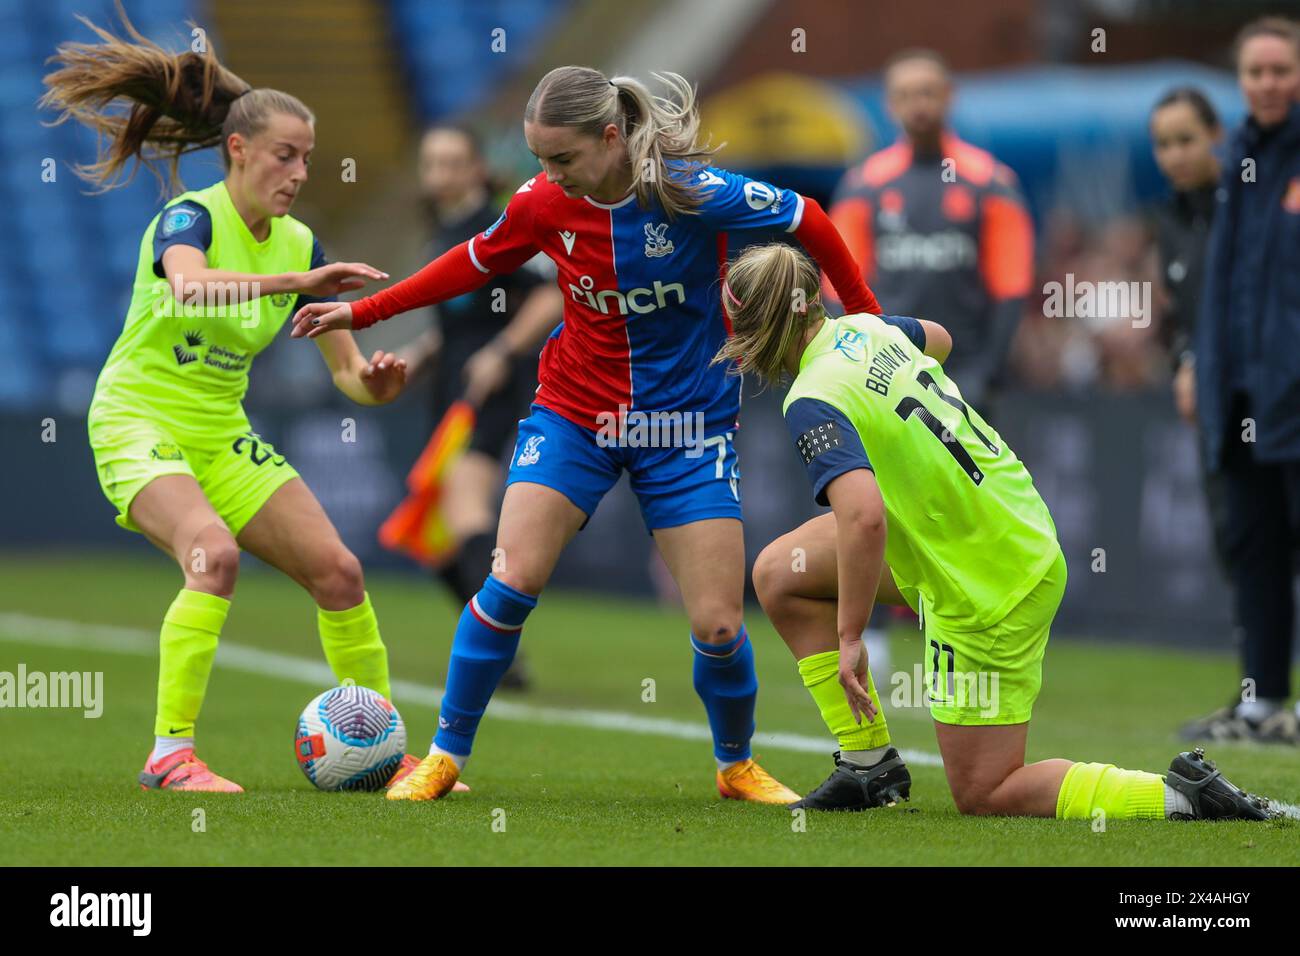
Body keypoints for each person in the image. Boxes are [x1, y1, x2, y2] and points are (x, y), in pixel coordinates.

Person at [293, 66, 883, 804]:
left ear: (611, 138)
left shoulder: (692, 193)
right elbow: (473, 262)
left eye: (562, 159)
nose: (548, 176)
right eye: (539, 159)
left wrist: (865, 318)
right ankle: (444, 758)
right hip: (576, 415)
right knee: (510, 582)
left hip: (686, 426)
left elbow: (809, 222)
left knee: (721, 626)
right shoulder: (544, 202)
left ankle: (735, 766)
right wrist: (365, 312)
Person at [720, 242, 1277, 821]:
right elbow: (939, 337)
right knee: (780, 574)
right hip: (1008, 526)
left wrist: (850, 635)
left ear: (765, 328)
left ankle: (1180, 796)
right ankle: (867, 766)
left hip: (984, 581)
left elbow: (863, 517)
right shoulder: (866, 330)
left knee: (986, 791)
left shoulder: (811, 397)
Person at [41, 11, 424, 792]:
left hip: (220, 431)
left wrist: (375, 384)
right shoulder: (190, 218)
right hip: (137, 419)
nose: (298, 173)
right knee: (210, 556)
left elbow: (346, 372)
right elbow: (189, 283)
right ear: (238, 151)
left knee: (341, 573)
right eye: (285, 156)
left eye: (308, 160)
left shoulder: (299, 242)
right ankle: (169, 755)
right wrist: (297, 285)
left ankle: (386, 755)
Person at [394, 124, 564, 691]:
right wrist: (423, 351)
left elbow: (551, 292)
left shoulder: (497, 225)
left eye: (451, 162)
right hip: (453, 383)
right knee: (434, 532)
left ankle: (496, 649)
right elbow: (461, 318)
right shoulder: (442, 229)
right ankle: (494, 643)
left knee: (463, 506)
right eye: (431, 162)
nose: (440, 173)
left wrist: (501, 351)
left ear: (475, 168)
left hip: (494, 383)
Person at [1185, 16, 1300, 745]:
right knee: (1256, 553)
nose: (1267, 83)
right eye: (1255, 71)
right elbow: (1224, 285)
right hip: (1245, 396)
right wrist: (1205, 365)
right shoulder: (1241, 161)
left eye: (1281, 70)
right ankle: (1261, 702)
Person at [827, 48, 1032, 417]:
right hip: (886, 372)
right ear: (890, 105)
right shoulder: (862, 186)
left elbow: (1011, 287)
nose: (918, 104)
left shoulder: (992, 183)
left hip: (966, 373)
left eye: (927, 92)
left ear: (949, 95)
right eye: (905, 95)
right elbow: (836, 286)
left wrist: (988, 373)